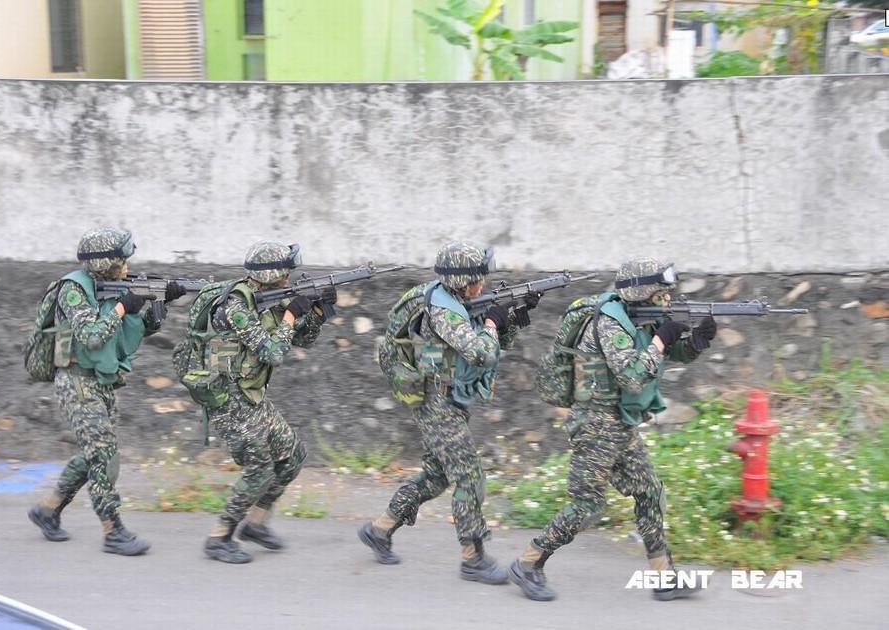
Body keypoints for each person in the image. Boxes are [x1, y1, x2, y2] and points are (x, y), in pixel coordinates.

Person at [507, 258, 717, 601]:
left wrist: (695, 342)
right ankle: (528, 563)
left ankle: (664, 577)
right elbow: (632, 376)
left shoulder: (640, 315)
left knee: (649, 492)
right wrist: (663, 338)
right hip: (595, 424)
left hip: (619, 421)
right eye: (662, 294)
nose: (667, 300)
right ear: (643, 293)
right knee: (587, 504)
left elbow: (669, 354)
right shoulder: (609, 323)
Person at [358, 240, 538, 585]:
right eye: (478, 279)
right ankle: (473, 559)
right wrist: (491, 323)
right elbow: (481, 353)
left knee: (437, 475)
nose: (483, 284)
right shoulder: (443, 311)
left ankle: (379, 530)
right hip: (437, 403)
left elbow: (496, 341)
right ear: (462, 280)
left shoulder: (457, 300)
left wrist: (516, 314)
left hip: (450, 398)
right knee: (470, 478)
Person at [28, 227, 186, 556]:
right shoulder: (73, 289)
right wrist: (123, 306)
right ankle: (112, 531)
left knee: (93, 455)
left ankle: (48, 509)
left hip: (101, 381)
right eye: (122, 261)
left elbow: (137, 332)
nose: (127, 267)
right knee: (104, 456)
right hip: (76, 381)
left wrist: (160, 302)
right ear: (105, 264)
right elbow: (92, 336)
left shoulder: (112, 288)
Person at [198, 241, 333, 564]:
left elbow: (303, 339)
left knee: (293, 457)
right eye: (286, 273)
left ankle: (255, 525)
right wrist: (289, 315)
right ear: (271, 275)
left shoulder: (270, 298)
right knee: (260, 469)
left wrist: (316, 312)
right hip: (228, 398)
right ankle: (219, 537)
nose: (290, 279)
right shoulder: (236, 306)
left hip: (251, 396)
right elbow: (272, 352)